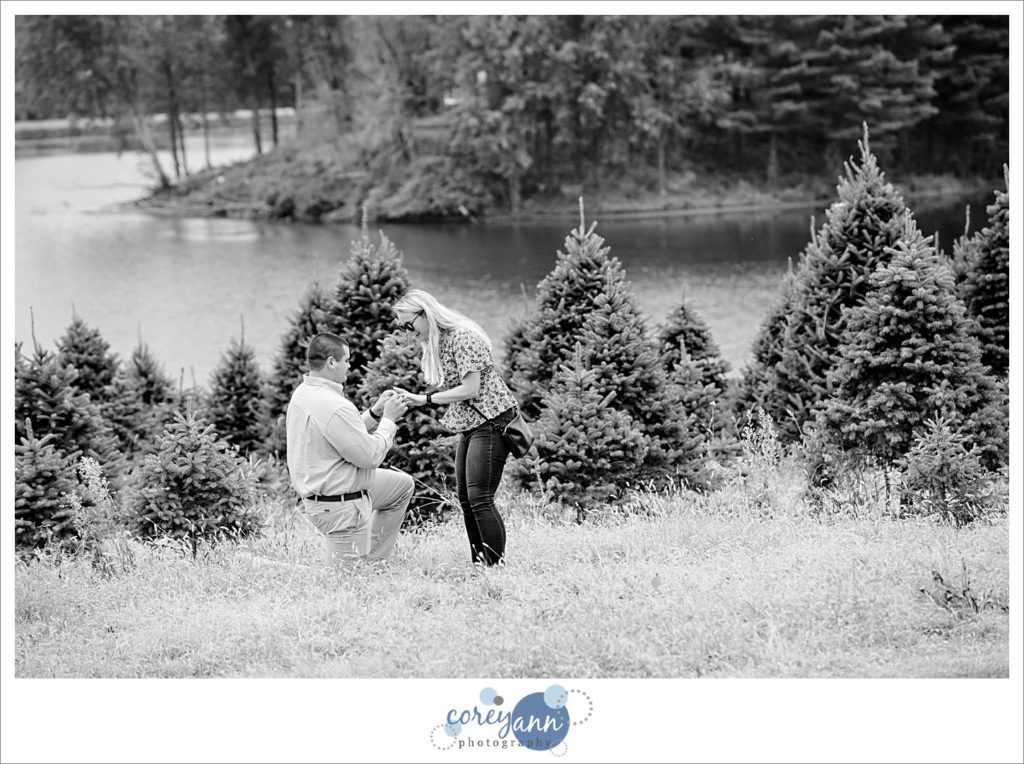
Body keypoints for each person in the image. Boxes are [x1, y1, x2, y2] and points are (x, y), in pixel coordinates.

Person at [391, 289, 519, 567]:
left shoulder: (462, 337)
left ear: (425, 314)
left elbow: (470, 389)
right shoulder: (441, 341)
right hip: (473, 425)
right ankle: (480, 563)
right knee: (466, 498)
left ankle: (495, 567)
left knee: (480, 497)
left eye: (409, 324)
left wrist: (424, 400)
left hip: (491, 421)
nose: (406, 331)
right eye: (401, 326)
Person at [286, 331, 413, 567]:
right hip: (340, 506)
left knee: (402, 486)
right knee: (350, 586)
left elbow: (344, 436)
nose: (349, 366)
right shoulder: (334, 404)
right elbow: (370, 456)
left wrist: (375, 412)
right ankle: (365, 572)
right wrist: (389, 420)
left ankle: (374, 563)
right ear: (331, 362)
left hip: (330, 491)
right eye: (347, 360)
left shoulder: (304, 393)